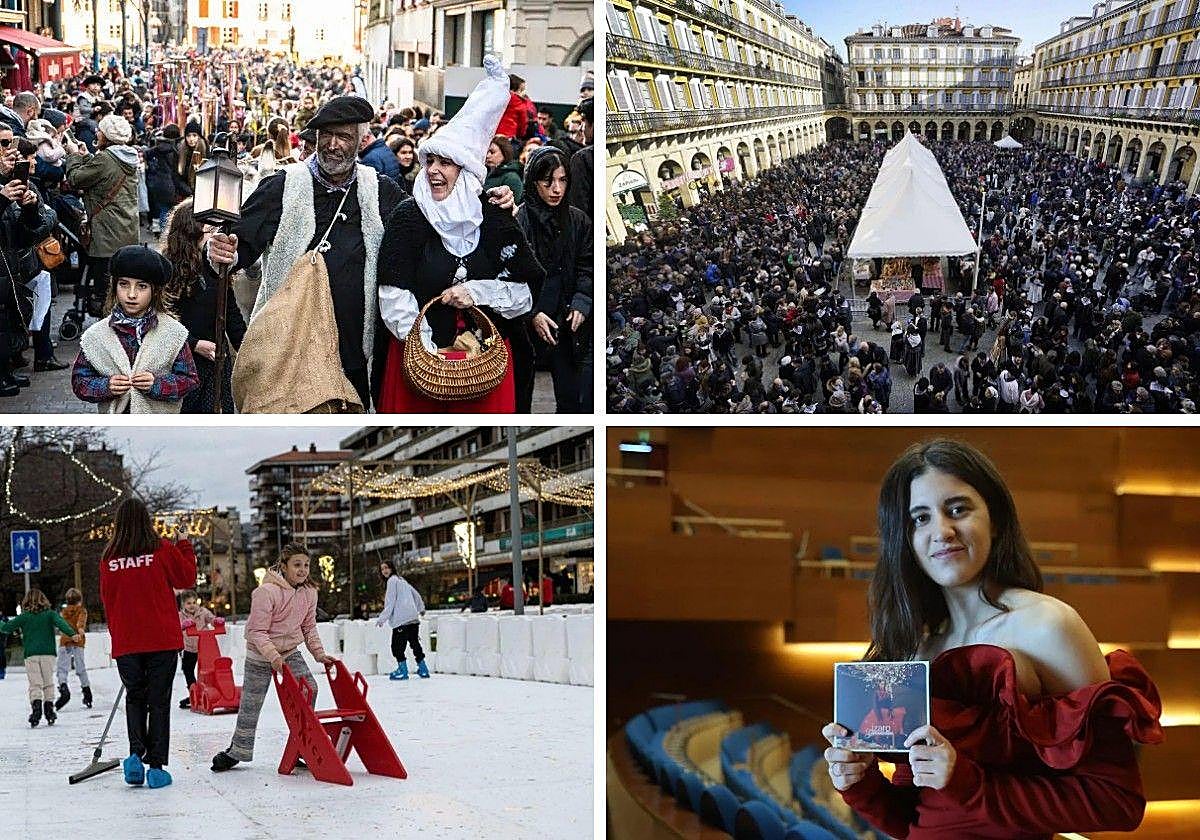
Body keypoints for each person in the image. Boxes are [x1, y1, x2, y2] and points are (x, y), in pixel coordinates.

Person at [821, 439, 1162, 838]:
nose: (941, 531)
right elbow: (916, 819)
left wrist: (969, 784)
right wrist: (860, 783)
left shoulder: (1048, 625)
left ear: (995, 519)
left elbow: (1115, 801)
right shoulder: (916, 643)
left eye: (957, 509)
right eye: (920, 518)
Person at [206, 95, 454, 409]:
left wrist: (491, 204)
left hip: (355, 351)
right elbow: (239, 244)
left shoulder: (383, 191)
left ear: (362, 141)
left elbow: (427, 236)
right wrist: (223, 253)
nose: (333, 145)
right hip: (290, 349)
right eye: (327, 136)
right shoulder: (281, 187)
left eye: (344, 137)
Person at [375, 57, 544, 412]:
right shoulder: (409, 217)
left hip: (484, 365)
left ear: (465, 171)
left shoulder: (493, 216)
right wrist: (427, 352)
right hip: (420, 362)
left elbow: (523, 296)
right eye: (430, 162)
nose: (434, 172)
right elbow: (393, 293)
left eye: (445, 164)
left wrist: (475, 292)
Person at [211, 544, 337, 772]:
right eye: (297, 565)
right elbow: (258, 631)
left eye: (306, 565)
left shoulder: (309, 592)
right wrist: (272, 657)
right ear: (284, 566)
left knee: (310, 688)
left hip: (289, 650)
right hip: (260, 653)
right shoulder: (266, 592)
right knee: (251, 704)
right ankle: (237, 751)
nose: (302, 570)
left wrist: (318, 654)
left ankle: (302, 747)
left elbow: (309, 627)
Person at [100, 498, 197, 787]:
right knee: (158, 702)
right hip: (161, 640)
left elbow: (107, 600)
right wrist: (184, 544)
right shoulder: (161, 550)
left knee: (135, 697)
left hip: (127, 641)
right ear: (146, 520)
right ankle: (155, 767)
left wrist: (117, 634)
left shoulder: (109, 557)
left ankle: (134, 755)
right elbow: (187, 577)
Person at [71, 244, 200, 413]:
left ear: (155, 291)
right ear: (114, 287)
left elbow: (189, 380)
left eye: (142, 286)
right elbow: (80, 380)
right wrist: (106, 386)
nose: (131, 294)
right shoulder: (96, 335)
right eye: (124, 284)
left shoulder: (173, 333)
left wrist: (157, 384)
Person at [517, 146, 592, 412]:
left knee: (573, 402)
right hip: (526, 325)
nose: (556, 189)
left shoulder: (578, 221)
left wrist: (582, 302)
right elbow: (510, 278)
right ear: (534, 181)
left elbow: (587, 265)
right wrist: (532, 314)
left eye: (562, 180)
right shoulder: (519, 221)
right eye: (548, 181)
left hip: (567, 325)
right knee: (520, 401)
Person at [162, 199, 246, 413]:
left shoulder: (216, 268)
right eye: (210, 230)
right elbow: (160, 322)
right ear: (192, 231)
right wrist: (194, 344)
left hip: (216, 362)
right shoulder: (167, 270)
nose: (215, 236)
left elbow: (231, 314)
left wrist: (247, 350)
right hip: (181, 363)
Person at [0, 133, 57, 398]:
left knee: (11, 316)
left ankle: (6, 371)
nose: (10, 149)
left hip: (12, 262)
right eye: (3, 143)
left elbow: (25, 233)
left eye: (11, 142)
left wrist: (30, 208)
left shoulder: (13, 179)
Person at [64, 113, 141, 307]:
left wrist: (73, 155)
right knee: (121, 282)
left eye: (100, 130)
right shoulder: (127, 155)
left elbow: (75, 179)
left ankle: (106, 321)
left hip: (106, 234)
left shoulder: (106, 159)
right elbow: (106, 173)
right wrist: (87, 156)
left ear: (107, 136)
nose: (96, 133)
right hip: (127, 230)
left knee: (105, 287)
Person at [0, 588, 83, 727]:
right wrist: (72, 633)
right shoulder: (50, 614)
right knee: (48, 681)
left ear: (26, 601)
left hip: (31, 654)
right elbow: (62, 624)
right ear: (44, 600)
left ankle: (36, 710)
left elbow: (6, 628)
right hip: (48, 653)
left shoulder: (24, 616)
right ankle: (49, 710)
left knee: (35, 683)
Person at [375, 560, 429, 680]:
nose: (384, 571)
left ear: (392, 568)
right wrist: (421, 608)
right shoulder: (402, 580)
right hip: (413, 618)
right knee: (415, 643)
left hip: (401, 620)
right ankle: (423, 669)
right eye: (382, 569)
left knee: (397, 646)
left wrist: (382, 618)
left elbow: (390, 602)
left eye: (386, 568)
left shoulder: (392, 581)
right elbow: (416, 595)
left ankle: (402, 670)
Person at [143, 125, 190, 235]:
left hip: (154, 184)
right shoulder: (174, 151)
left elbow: (147, 158)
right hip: (169, 185)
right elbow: (175, 172)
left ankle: (157, 229)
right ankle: (164, 233)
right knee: (166, 210)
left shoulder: (155, 148)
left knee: (159, 208)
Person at [177, 590, 215, 709]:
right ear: (183, 604)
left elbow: (211, 618)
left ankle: (210, 689)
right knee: (188, 669)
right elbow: (178, 627)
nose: (192, 605)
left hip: (204, 647)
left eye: (194, 602)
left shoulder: (203, 612)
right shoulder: (181, 616)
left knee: (208, 669)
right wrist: (184, 625)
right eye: (188, 603)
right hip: (189, 648)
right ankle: (193, 691)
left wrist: (216, 621)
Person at [54, 587, 91, 710]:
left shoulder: (63, 612)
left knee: (62, 668)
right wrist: (80, 629)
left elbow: (61, 624)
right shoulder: (82, 610)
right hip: (78, 641)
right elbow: (80, 623)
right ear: (79, 600)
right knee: (81, 667)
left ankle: (63, 687)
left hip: (66, 641)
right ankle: (87, 692)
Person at [568, 97, 593, 219]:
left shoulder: (582, 159)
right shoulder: (582, 158)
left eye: (583, 121)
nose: (581, 128)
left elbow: (577, 210)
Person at [483, 134, 523, 202]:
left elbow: (515, 205)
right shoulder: (484, 173)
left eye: (492, 152)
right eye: (486, 152)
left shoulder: (512, 178)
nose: (487, 156)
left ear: (505, 153)